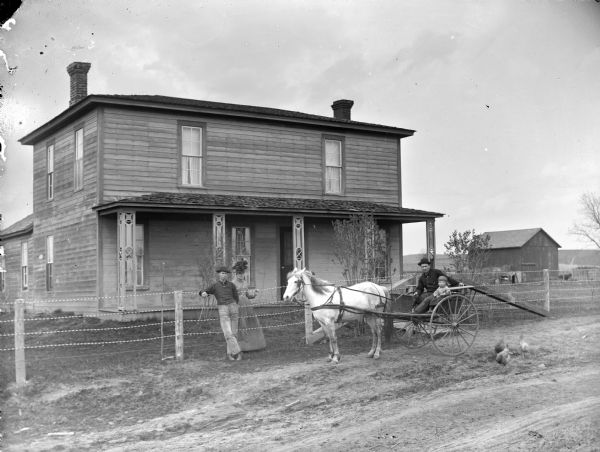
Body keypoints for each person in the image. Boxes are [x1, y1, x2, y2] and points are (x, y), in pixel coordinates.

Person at [200, 266, 242, 361]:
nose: (224, 275)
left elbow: (236, 297)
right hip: (223, 309)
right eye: (222, 273)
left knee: (234, 333)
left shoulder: (231, 285)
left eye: (226, 273)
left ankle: (230, 354)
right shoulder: (215, 286)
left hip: (233, 308)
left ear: (227, 275)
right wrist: (202, 293)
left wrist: (235, 305)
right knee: (228, 333)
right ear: (219, 274)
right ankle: (238, 352)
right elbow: (204, 291)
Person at [231, 261, 266, 352]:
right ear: (236, 274)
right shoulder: (232, 284)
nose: (241, 276)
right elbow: (231, 296)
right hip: (238, 305)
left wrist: (254, 294)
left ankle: (252, 345)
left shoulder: (245, 283)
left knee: (250, 322)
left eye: (242, 274)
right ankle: (241, 346)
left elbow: (247, 295)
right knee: (241, 324)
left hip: (247, 305)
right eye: (239, 274)